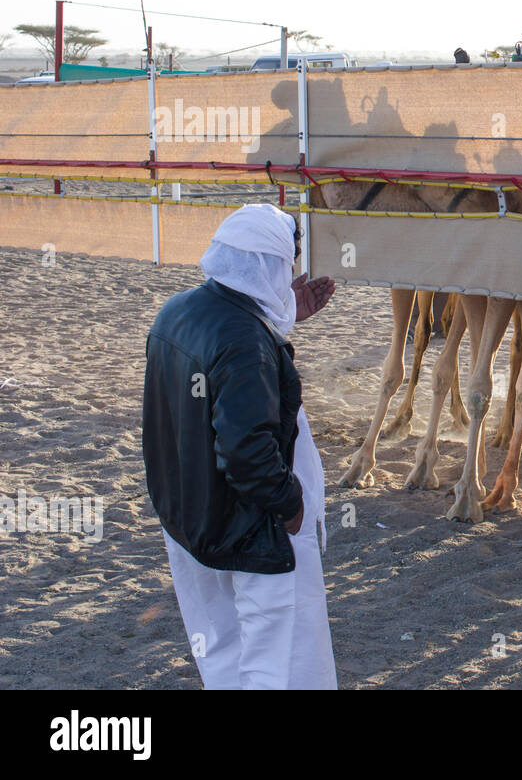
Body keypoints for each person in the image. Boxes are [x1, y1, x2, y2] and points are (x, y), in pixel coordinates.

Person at [142, 204, 338, 689]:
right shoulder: (245, 341)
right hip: (251, 526)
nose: (289, 276)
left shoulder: (177, 311)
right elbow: (246, 449)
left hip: (189, 519)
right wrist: (290, 503)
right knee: (278, 658)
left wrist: (281, 311)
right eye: (284, 267)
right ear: (268, 266)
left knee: (222, 644)